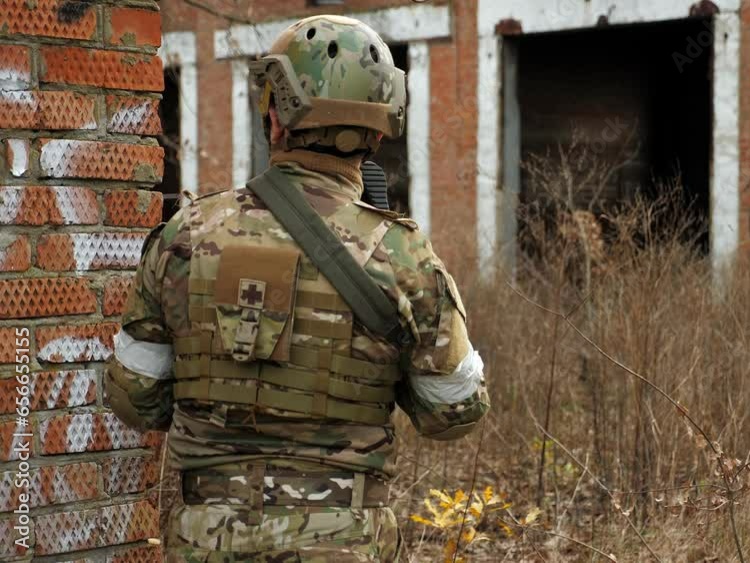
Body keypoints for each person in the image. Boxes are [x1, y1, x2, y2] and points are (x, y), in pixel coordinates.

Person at [104, 15, 490, 562]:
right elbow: (454, 414)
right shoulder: (404, 256)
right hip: (345, 544)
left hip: (207, 540)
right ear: (378, 133)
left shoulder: (184, 236)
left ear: (276, 119)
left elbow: (134, 397)